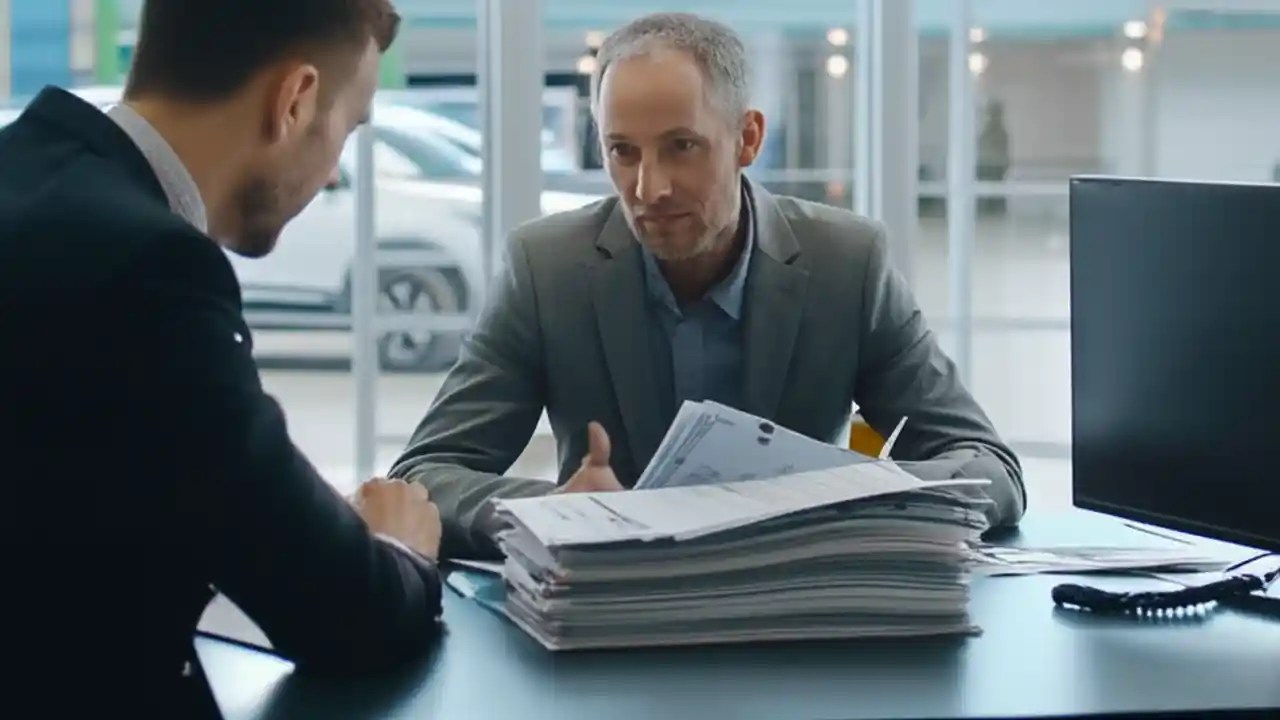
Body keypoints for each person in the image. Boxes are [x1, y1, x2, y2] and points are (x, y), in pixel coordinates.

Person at [390, 12, 1027, 560]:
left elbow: (989, 469)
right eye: (622, 151)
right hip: (613, 623)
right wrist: (551, 508)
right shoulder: (547, 269)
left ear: (747, 138)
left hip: (792, 616)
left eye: (682, 147)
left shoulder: (847, 264)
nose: (649, 189)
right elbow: (422, 477)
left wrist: (851, 496)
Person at [0, 0, 443, 713]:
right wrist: (401, 547)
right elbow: (344, 614)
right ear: (295, 101)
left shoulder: (27, 177)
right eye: (348, 129)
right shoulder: (148, 269)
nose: (332, 171)